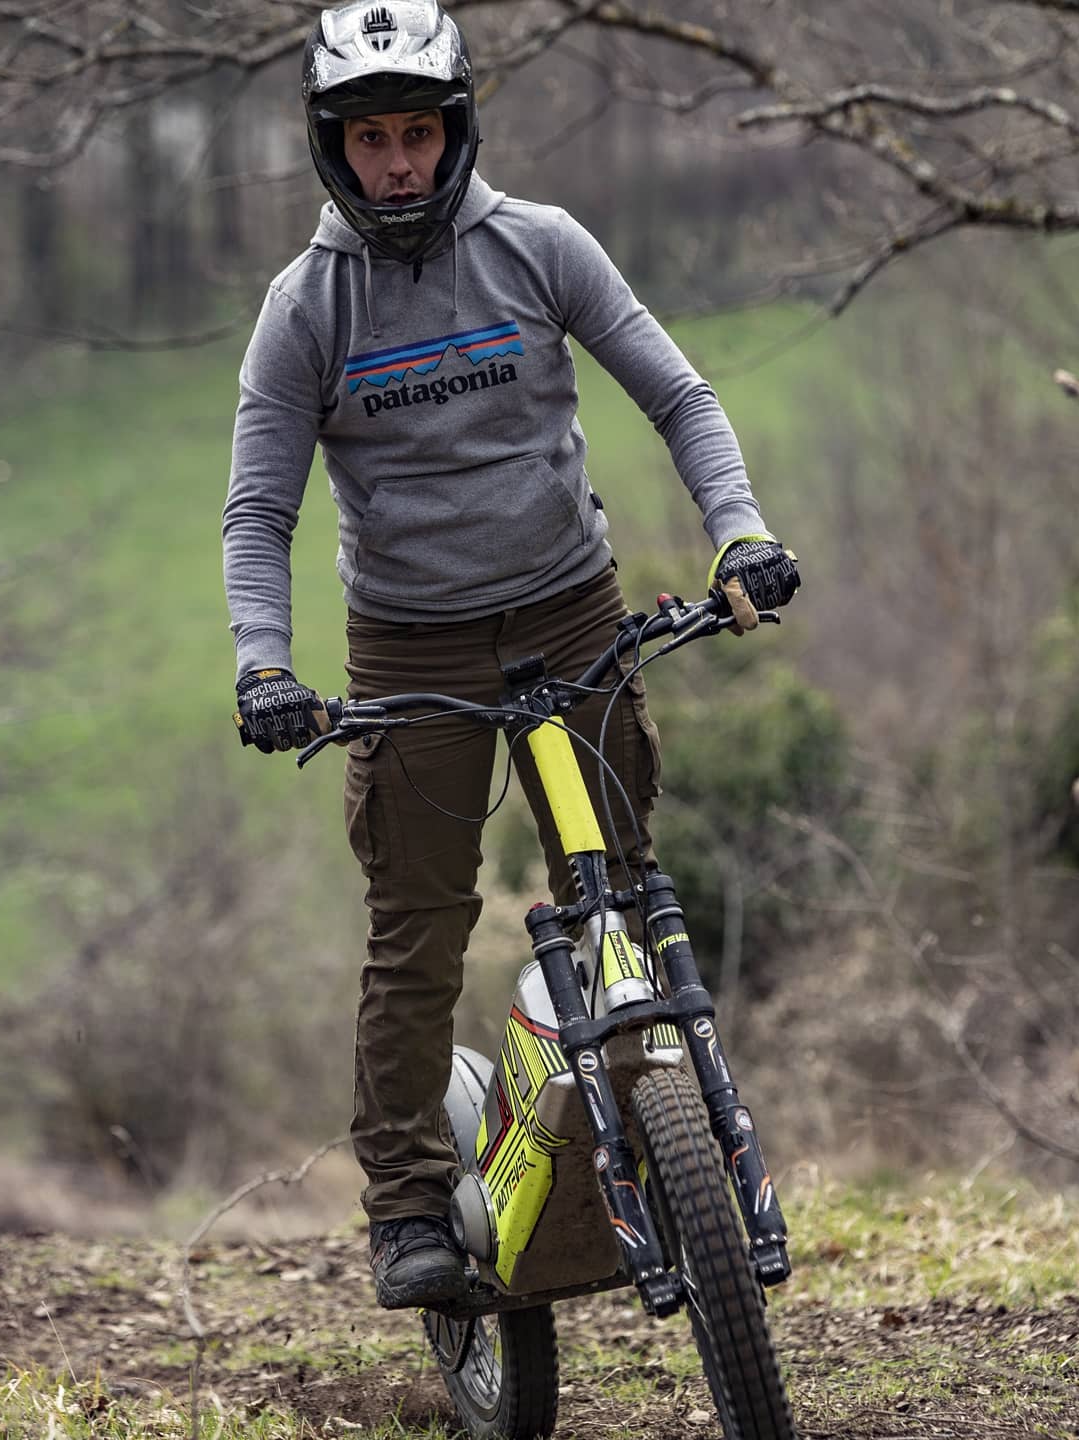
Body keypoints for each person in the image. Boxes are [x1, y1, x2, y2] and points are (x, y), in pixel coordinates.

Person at [222, 0, 800, 1311]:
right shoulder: (305, 308)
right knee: (415, 934)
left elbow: (679, 395)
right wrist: (268, 663)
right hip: (406, 644)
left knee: (619, 891)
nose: (399, 164)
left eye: (418, 132)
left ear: (456, 128)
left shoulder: (540, 248)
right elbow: (260, 510)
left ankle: (656, 1139)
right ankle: (410, 1208)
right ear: (334, 145)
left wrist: (742, 534)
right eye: (370, 139)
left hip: (567, 613)